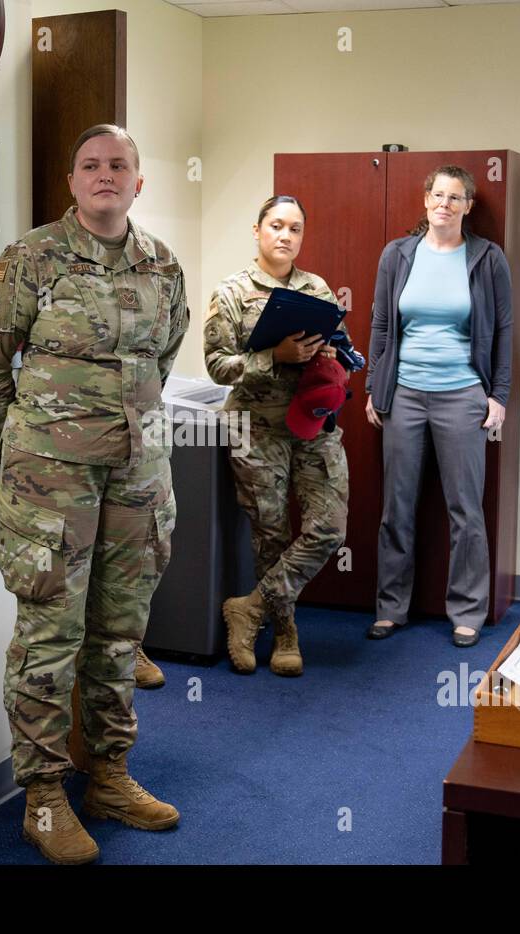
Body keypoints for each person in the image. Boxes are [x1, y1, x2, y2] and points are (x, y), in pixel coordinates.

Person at [0, 124, 189, 864]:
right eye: (89, 164)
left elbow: (166, 349)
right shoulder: (32, 258)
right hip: (50, 481)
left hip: (136, 474)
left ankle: (112, 775)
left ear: (138, 180)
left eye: (118, 164)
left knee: (121, 633)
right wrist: (22, 443)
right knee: (50, 634)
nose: (104, 175)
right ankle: (43, 795)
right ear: (71, 181)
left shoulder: (162, 264)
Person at [365, 165, 513, 648]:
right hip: (404, 393)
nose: (445, 204)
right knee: (396, 507)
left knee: (465, 510)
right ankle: (391, 608)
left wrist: (498, 396)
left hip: (463, 394)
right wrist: (374, 388)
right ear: (425, 200)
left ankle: (468, 611)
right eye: (438, 195)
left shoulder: (487, 258)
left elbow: (504, 331)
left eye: (456, 198)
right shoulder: (397, 255)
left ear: (468, 207)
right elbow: (383, 326)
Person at [204, 196, 349, 676]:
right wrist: (275, 356)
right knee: (272, 535)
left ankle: (250, 607)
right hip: (256, 425)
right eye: (276, 226)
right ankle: (285, 633)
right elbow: (217, 365)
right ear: (258, 230)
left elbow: (341, 351)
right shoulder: (231, 291)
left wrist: (331, 351)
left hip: (313, 420)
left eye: (295, 229)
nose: (285, 236)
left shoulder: (317, 288)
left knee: (329, 528)